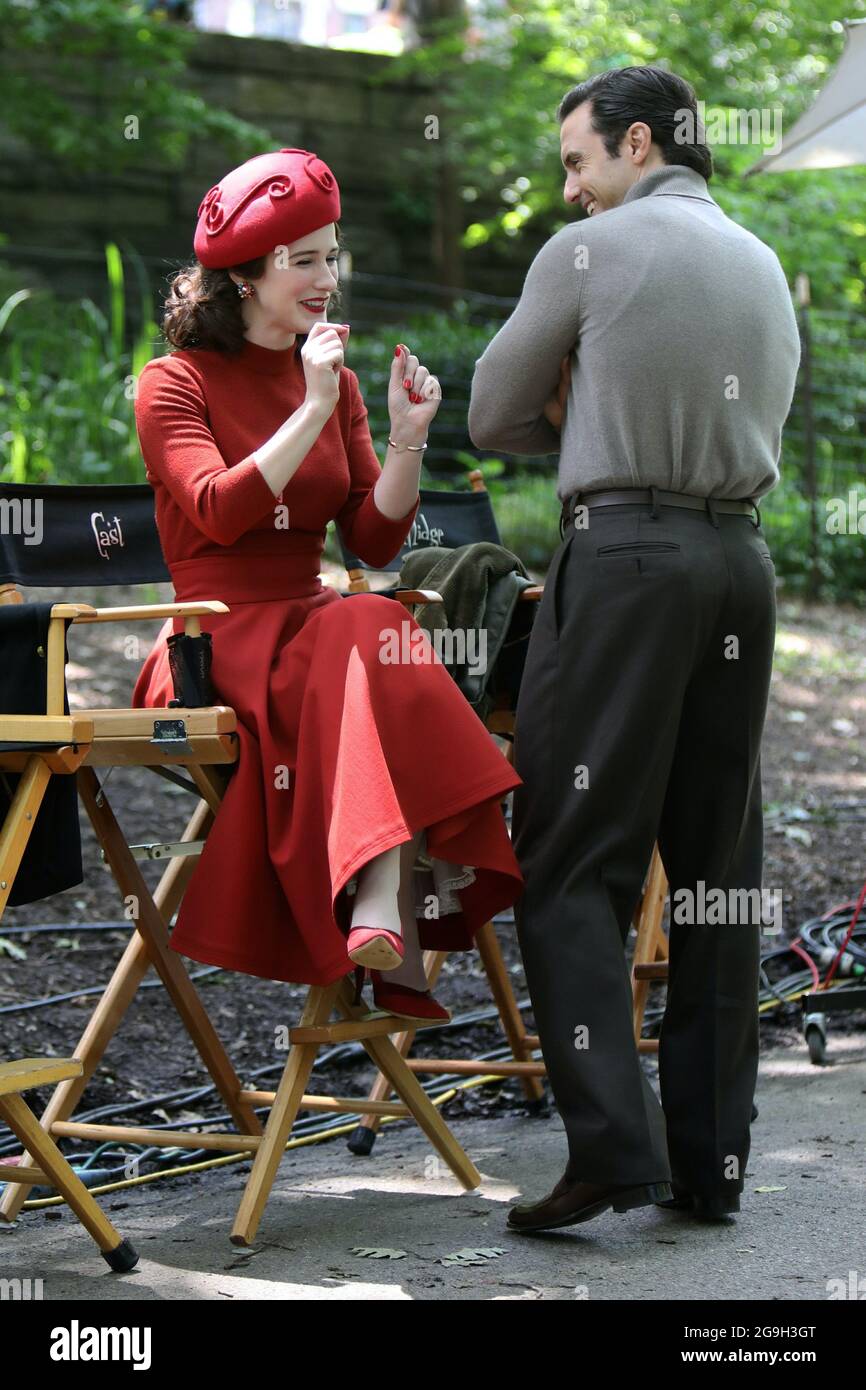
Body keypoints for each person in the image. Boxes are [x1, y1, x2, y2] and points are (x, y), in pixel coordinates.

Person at [468, 66, 801, 1230]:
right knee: (715, 875)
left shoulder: (589, 254)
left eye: (576, 162)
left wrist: (581, 402)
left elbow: (489, 412)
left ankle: (612, 1147)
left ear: (636, 143)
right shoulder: (759, 263)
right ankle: (710, 1164)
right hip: (736, 566)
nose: (569, 191)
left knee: (568, 857)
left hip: (622, 565)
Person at [131, 147, 523, 1024]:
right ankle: (392, 904)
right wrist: (308, 409)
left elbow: (373, 533)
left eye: (331, 255)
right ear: (243, 275)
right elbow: (217, 514)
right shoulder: (172, 383)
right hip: (211, 636)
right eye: (303, 259)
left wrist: (408, 436)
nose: (326, 278)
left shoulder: (338, 378)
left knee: (369, 619)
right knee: (367, 625)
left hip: (315, 630)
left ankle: (381, 899)